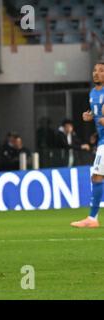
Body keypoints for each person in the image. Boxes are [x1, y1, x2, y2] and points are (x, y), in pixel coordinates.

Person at [71, 62, 104, 228]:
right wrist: (90, 116)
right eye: (95, 70)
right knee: (97, 176)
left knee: (97, 176)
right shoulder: (93, 93)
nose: (96, 73)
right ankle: (92, 218)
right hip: (101, 141)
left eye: (101, 71)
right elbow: (97, 114)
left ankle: (92, 219)